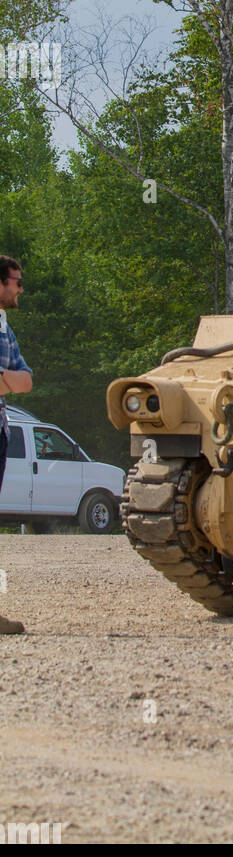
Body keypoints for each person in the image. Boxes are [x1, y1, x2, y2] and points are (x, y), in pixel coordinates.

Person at [0, 255, 32, 635]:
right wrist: (12, 380)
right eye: (17, 281)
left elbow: (27, 380)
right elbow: (18, 380)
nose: (21, 289)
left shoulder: (5, 326)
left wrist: (6, 380)